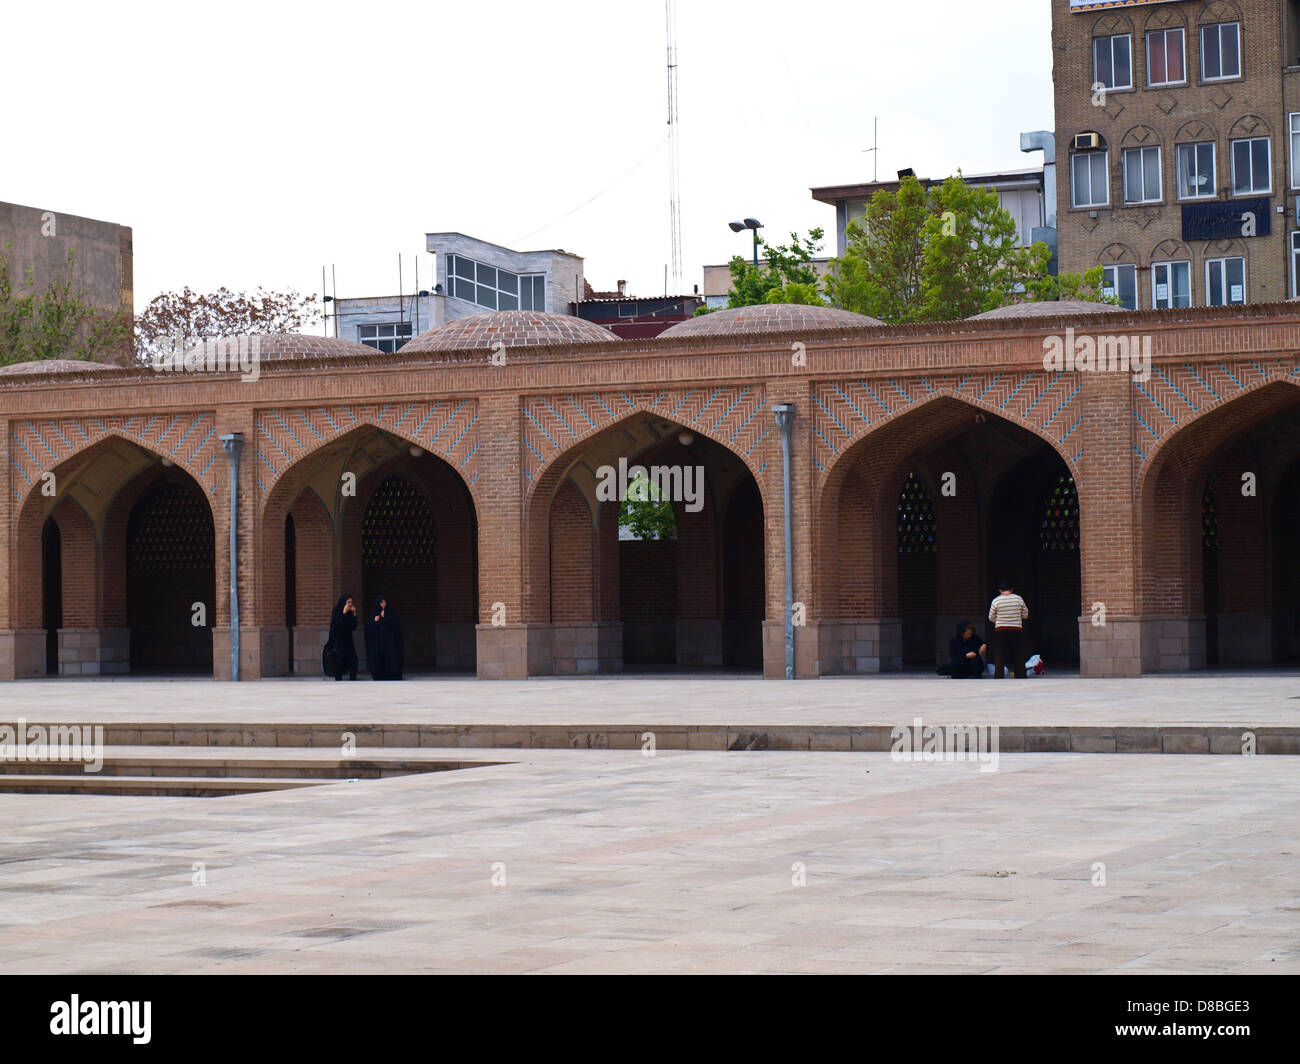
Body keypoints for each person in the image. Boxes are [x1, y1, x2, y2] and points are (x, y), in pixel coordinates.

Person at [987, 581, 1029, 679]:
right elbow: (1025, 614)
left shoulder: (996, 601)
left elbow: (990, 617)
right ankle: (1020, 675)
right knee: (1018, 654)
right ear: (1011, 590)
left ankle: (998, 676)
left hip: (1000, 630)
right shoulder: (1018, 599)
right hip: (1016, 630)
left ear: (1000, 590)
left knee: (999, 655)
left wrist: (999, 621)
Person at [365, 594, 404, 681]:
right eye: (381, 603)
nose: (383, 605)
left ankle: (392, 674)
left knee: (391, 658)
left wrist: (384, 618)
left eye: (384, 602)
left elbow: (395, 626)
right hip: (378, 643)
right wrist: (375, 621)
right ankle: (379, 674)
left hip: (390, 642)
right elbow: (369, 627)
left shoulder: (391, 613)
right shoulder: (374, 614)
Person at [323, 594, 358, 681]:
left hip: (348, 640)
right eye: (348, 602)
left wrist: (354, 614)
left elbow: (353, 626)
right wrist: (343, 613)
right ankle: (338, 678)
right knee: (339, 660)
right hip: (338, 640)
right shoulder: (337, 611)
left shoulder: (350, 612)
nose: (350, 604)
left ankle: (353, 677)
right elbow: (337, 625)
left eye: (351, 602)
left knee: (353, 660)